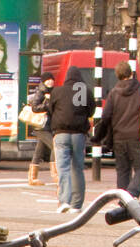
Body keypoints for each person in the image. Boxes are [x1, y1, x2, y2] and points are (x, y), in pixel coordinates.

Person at [93, 60, 140, 196]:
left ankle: (124, 199)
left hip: (119, 137)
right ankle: (132, 192)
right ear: (131, 73)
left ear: (117, 75)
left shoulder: (114, 93)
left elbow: (106, 116)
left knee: (122, 170)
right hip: (136, 136)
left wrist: (99, 136)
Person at [50, 67, 93, 212]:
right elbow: (91, 111)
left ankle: (64, 202)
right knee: (78, 169)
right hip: (79, 134)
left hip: (61, 133)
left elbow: (51, 109)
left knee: (63, 169)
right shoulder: (85, 91)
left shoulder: (57, 91)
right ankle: (77, 204)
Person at [27, 71, 59, 187]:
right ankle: (55, 175)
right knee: (55, 146)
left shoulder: (52, 92)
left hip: (48, 125)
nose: (50, 81)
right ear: (44, 81)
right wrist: (48, 103)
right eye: (48, 79)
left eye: (52, 79)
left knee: (39, 151)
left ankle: (32, 178)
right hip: (41, 126)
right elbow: (35, 108)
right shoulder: (41, 92)